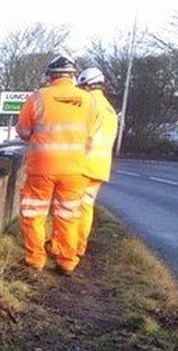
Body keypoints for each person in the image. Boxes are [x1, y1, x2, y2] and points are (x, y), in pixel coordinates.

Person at [15, 55, 99, 276]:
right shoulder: (89, 101)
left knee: (34, 212)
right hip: (76, 169)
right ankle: (67, 262)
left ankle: (35, 259)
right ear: (72, 76)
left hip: (42, 166)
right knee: (68, 215)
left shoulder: (38, 98)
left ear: (51, 76)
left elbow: (23, 131)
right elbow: (91, 135)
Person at [76, 67, 119, 258]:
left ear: (86, 85)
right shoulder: (110, 110)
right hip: (100, 167)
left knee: (70, 209)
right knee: (86, 207)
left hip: (83, 165)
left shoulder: (88, 104)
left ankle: (66, 248)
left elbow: (81, 135)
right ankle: (79, 247)